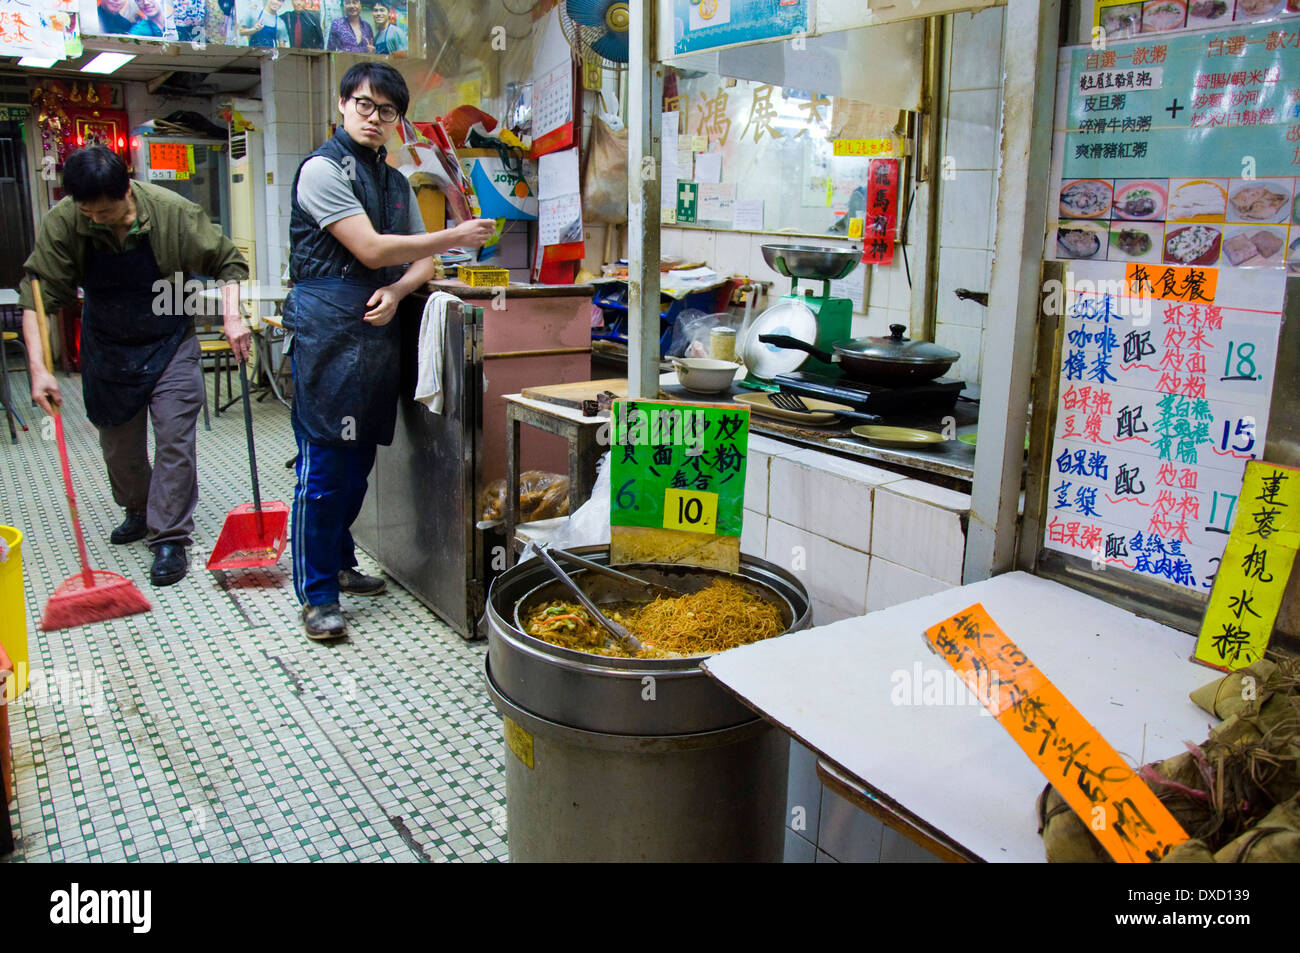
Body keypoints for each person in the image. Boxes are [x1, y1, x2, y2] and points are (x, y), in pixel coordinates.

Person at [286, 62, 493, 640]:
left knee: (358, 465)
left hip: (376, 333)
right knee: (324, 466)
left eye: (388, 110)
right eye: (365, 105)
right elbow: (375, 248)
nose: (376, 118)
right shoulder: (322, 171)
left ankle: (341, 562)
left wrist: (401, 289)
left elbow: (415, 263)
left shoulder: (395, 182)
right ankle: (316, 591)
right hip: (327, 330)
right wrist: (452, 235)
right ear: (343, 104)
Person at [18, 146, 250, 587]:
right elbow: (38, 293)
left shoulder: (173, 213)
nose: (95, 219)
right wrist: (39, 369)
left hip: (170, 340)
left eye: (105, 211)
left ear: (127, 190)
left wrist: (233, 317)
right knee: (119, 447)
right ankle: (139, 509)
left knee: (174, 437)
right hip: (108, 343)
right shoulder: (67, 221)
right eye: (87, 212)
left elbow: (229, 263)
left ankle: (170, 536)